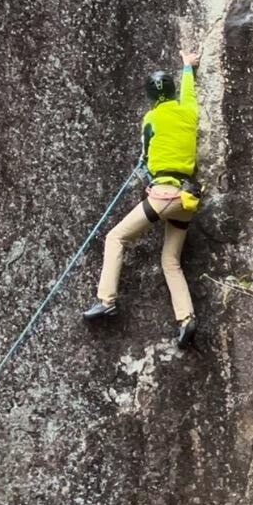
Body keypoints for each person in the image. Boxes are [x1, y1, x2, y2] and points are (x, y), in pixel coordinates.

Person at [84, 47, 201, 347]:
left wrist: (147, 168)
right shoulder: (188, 111)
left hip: (163, 195)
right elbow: (189, 93)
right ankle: (187, 318)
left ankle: (106, 299)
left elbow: (146, 156)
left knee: (115, 238)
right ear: (173, 91)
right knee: (170, 260)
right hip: (187, 200)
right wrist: (187, 66)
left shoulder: (150, 118)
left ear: (151, 96)